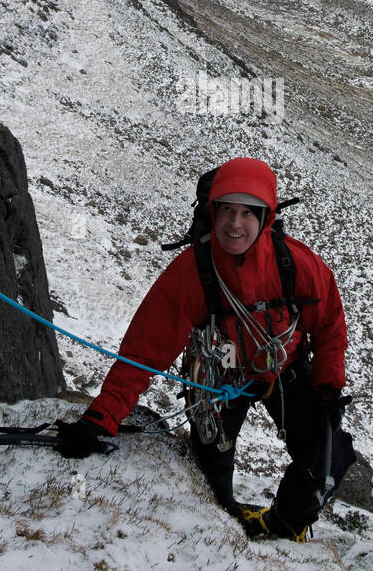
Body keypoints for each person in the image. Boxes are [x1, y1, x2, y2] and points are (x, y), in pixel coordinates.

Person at [56, 157, 354, 540]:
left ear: (266, 216)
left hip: (284, 370)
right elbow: (144, 351)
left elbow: (329, 323)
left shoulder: (297, 265)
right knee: (209, 477)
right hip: (217, 380)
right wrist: (102, 418)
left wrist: (329, 388)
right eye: (226, 210)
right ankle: (224, 522)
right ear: (212, 212)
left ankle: (283, 526)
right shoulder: (191, 273)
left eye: (248, 212)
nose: (234, 223)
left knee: (327, 455)